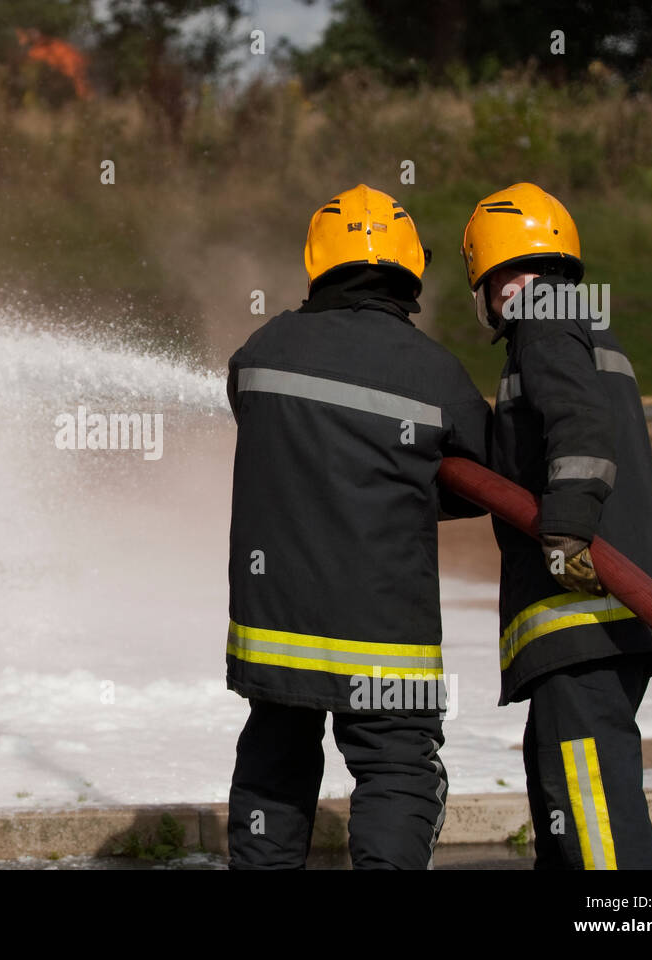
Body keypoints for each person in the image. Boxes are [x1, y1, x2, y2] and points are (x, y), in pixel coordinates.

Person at [225, 184, 492, 869]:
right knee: (398, 770)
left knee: (273, 764)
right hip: (384, 632)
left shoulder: (262, 350)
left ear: (318, 264)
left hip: (276, 626)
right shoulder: (433, 372)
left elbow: (271, 433)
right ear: (410, 271)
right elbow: (483, 476)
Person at [460, 182, 652, 870]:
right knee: (565, 810)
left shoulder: (544, 318)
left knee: (591, 816)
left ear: (488, 274)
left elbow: (581, 426)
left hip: (582, 615)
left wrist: (568, 528)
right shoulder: (579, 320)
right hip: (605, 619)